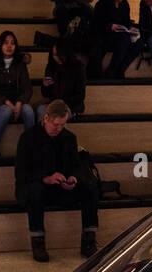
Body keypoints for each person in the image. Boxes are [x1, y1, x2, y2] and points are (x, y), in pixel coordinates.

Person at [15, 100, 100, 262]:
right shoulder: (28, 137)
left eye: (62, 125)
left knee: (90, 186)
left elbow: (76, 166)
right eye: (56, 125)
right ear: (46, 118)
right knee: (35, 190)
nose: (59, 129)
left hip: (59, 187)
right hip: (35, 186)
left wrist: (73, 178)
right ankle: (38, 241)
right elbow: (21, 172)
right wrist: (46, 178)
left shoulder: (69, 137)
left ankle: (88, 239)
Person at [0, 30, 35, 158]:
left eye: (12, 43)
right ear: (0, 45)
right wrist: (5, 102)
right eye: (6, 43)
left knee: (28, 110)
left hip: (17, 102)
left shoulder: (20, 63)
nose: (9, 46)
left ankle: (31, 147)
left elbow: (27, 89)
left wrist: (19, 102)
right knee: (6, 111)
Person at [89, 0, 138, 79]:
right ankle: (102, 72)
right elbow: (96, 24)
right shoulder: (102, 4)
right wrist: (109, 26)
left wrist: (130, 27)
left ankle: (115, 69)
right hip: (105, 34)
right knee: (102, 43)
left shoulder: (124, 4)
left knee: (135, 43)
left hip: (120, 34)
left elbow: (126, 22)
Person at [39, 39, 86, 119]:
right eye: (54, 55)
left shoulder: (77, 67)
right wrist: (45, 86)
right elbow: (46, 94)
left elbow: (80, 95)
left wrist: (63, 102)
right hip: (54, 103)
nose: (56, 58)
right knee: (40, 110)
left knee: (58, 115)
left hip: (71, 104)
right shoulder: (51, 66)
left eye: (59, 55)